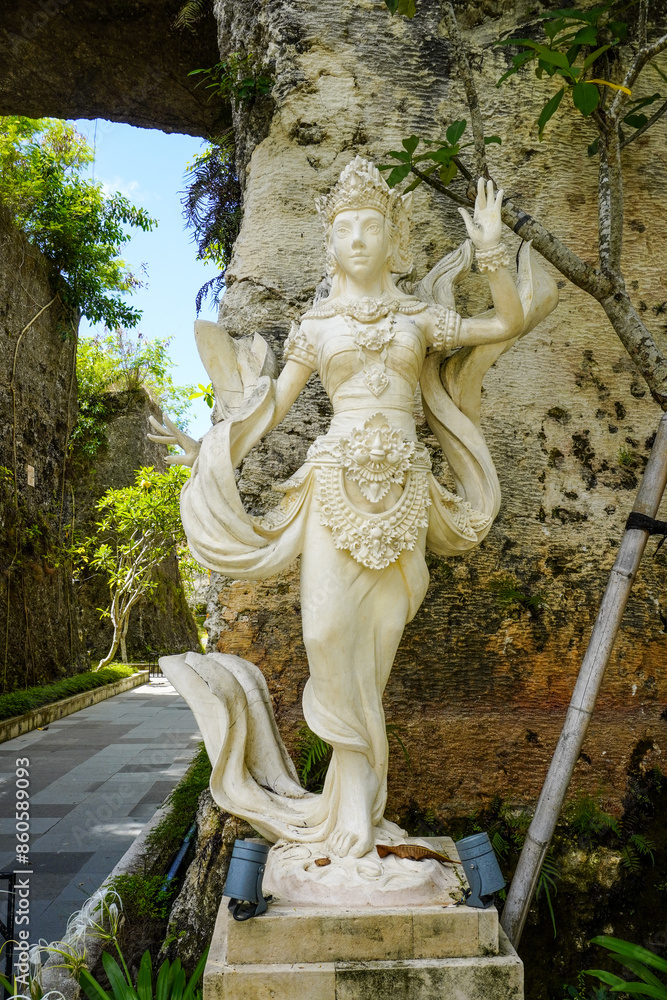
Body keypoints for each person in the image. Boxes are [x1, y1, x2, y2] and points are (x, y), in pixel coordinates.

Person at [151, 157, 556, 859]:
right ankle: (343, 820)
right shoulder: (314, 325)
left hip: (403, 494)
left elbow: (506, 322)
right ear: (330, 242)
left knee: (373, 660)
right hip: (333, 488)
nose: (359, 237)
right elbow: (271, 408)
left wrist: (490, 249)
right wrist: (209, 449)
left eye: (371, 224)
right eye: (346, 227)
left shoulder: (420, 316)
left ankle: (358, 825)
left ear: (393, 238)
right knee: (324, 639)